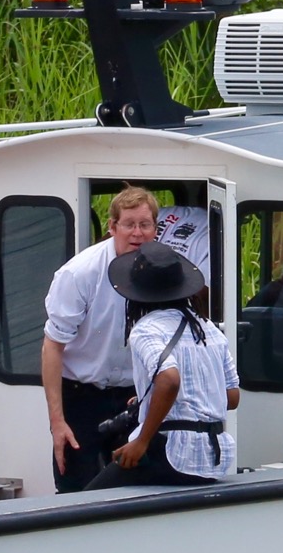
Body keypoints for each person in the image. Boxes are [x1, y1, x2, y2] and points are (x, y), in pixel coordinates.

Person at [40, 185, 157, 493]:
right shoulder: (79, 274)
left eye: (145, 224)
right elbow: (52, 346)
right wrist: (57, 423)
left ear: (155, 229)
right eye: (129, 224)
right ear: (112, 227)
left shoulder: (165, 272)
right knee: (76, 490)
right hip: (81, 395)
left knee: (139, 491)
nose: (137, 233)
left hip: (136, 395)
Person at [95, 241, 239, 490]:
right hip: (213, 457)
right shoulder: (209, 329)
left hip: (173, 451)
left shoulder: (147, 330)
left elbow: (169, 380)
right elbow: (232, 397)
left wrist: (141, 441)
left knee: (93, 500)